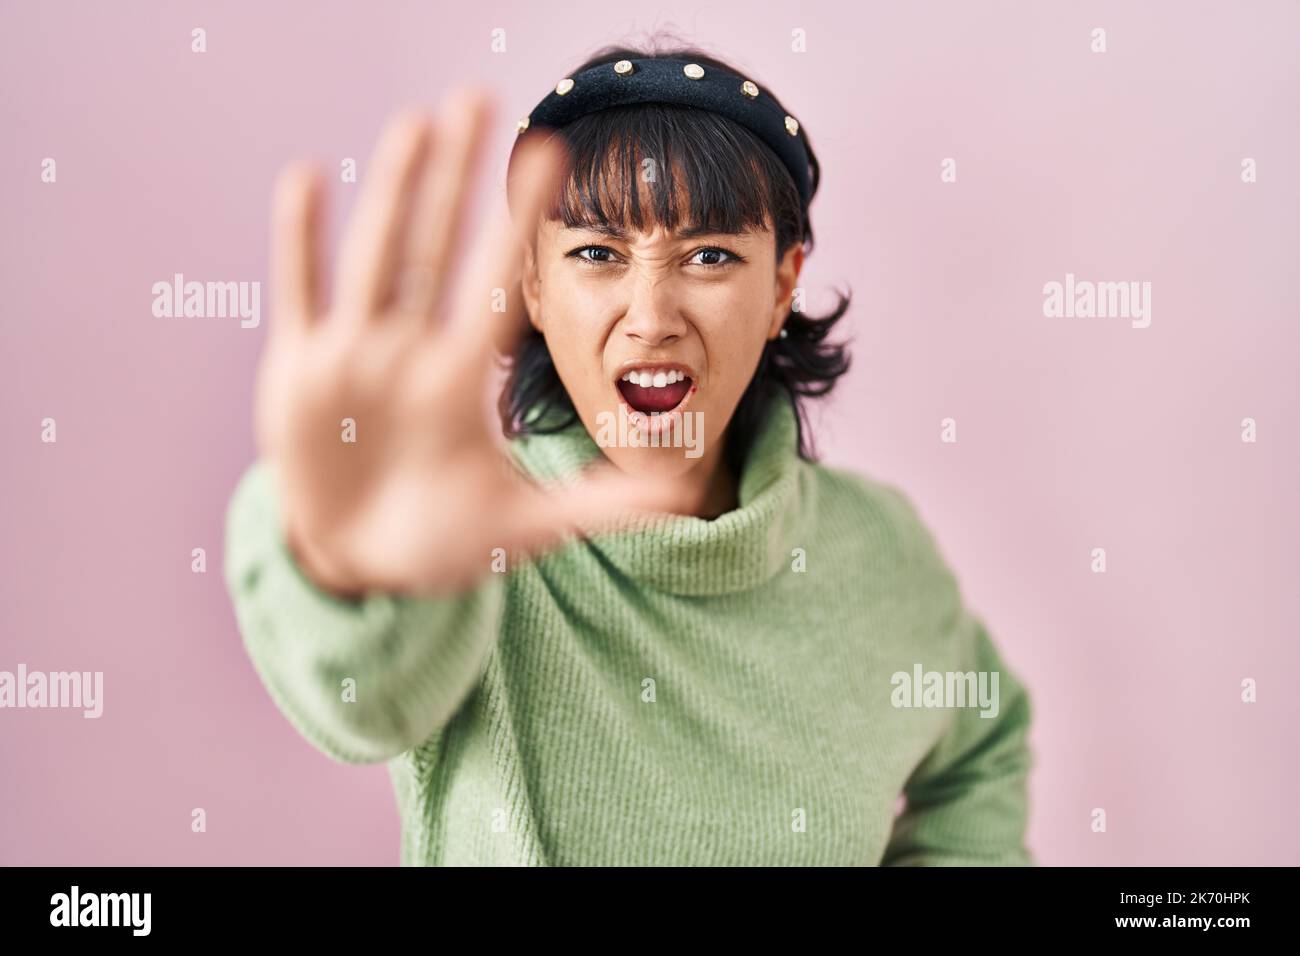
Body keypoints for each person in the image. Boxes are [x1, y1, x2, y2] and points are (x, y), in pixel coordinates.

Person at [224, 40, 1035, 866]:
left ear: (783, 286)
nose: (651, 317)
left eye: (710, 255)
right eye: (596, 253)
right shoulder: (473, 539)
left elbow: (984, 750)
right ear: (533, 287)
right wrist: (342, 563)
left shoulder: (878, 546)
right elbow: (367, 697)